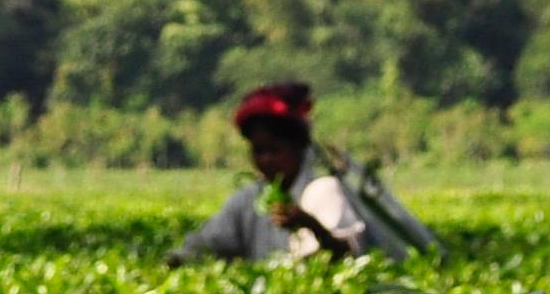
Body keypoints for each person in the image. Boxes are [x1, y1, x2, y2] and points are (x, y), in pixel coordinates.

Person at [170, 81, 434, 265]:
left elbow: (349, 257)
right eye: (258, 151)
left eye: (274, 150)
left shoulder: (323, 190)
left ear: (298, 148)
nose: (265, 160)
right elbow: (207, 244)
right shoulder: (249, 200)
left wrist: (311, 226)